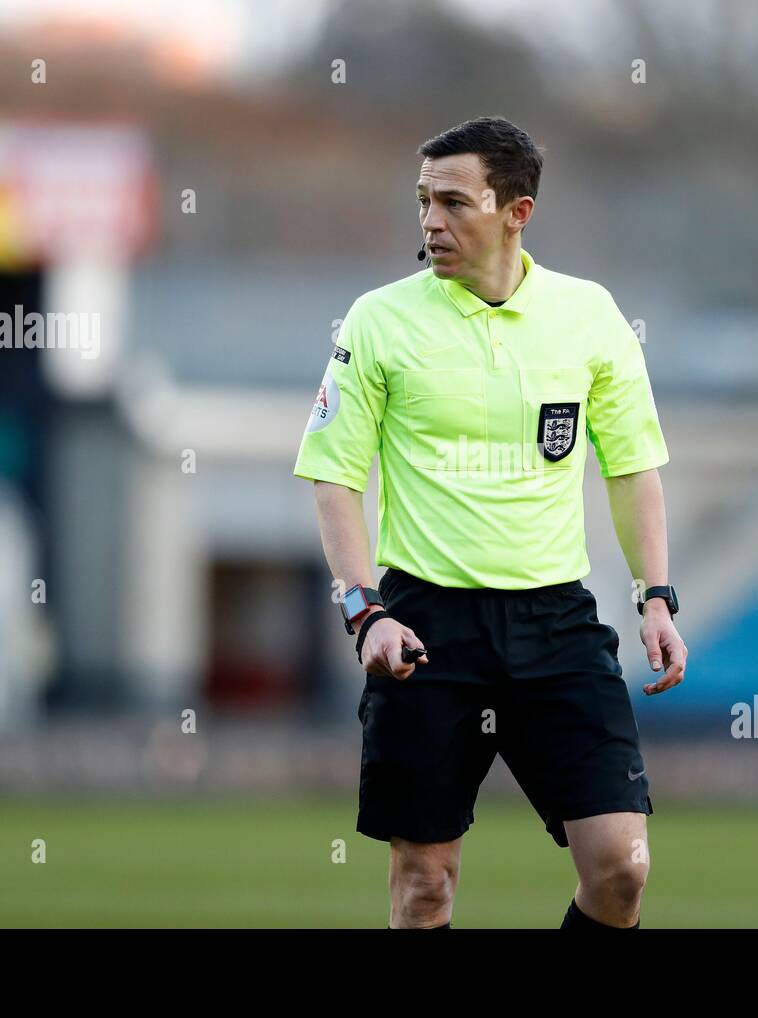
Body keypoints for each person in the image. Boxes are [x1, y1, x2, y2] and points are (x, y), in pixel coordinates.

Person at [293, 116, 687, 929]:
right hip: (425, 625)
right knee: (425, 887)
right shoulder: (378, 320)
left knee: (621, 869)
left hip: (555, 622)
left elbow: (631, 465)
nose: (431, 222)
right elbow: (334, 473)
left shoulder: (588, 315)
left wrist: (656, 595)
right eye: (423, 203)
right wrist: (363, 608)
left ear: (518, 211)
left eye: (452, 203)